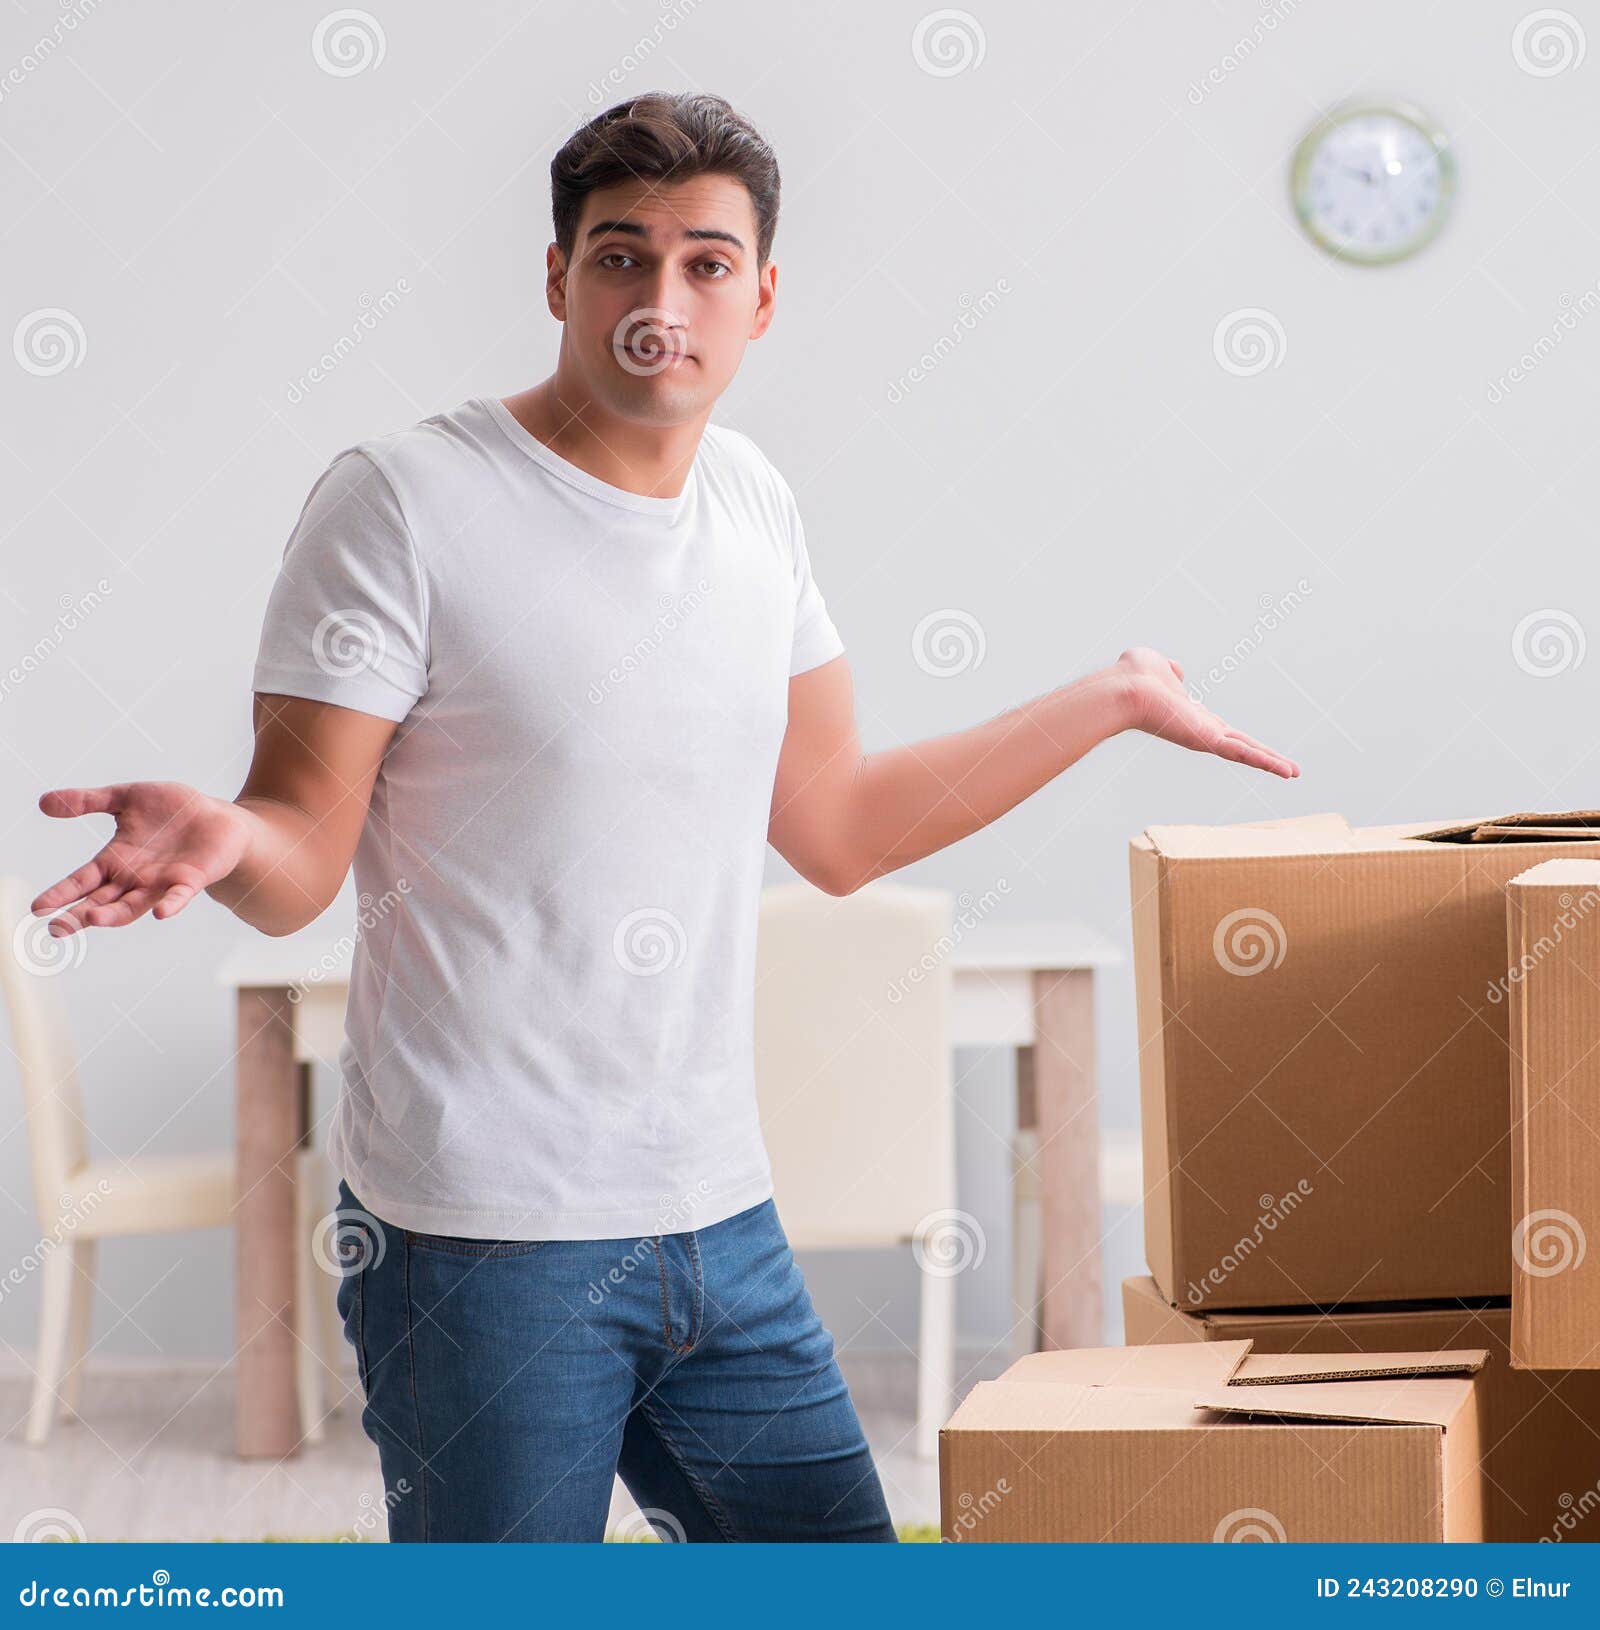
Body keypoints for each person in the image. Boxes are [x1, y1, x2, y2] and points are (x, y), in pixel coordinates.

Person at [28, 91, 1299, 1542]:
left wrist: (1111, 699)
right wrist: (230, 838)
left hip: (719, 1218)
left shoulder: (752, 504)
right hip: (479, 1237)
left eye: (705, 262)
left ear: (763, 296)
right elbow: (302, 850)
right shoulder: (404, 501)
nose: (661, 297)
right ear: (557, 277)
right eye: (622, 256)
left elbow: (838, 827)